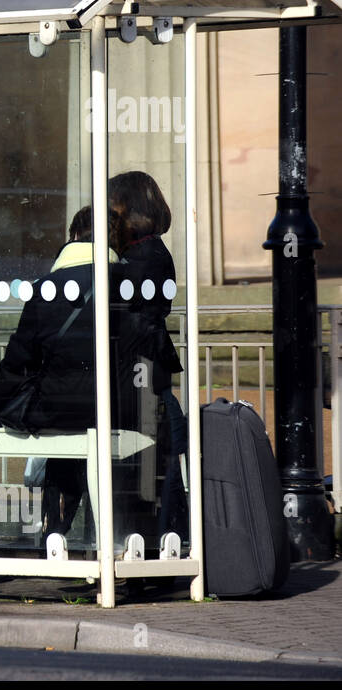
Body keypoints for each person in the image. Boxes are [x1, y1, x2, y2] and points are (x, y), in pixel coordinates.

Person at [0, 206, 121, 540]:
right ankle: (112, 539)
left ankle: (55, 535)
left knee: (63, 452)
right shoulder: (128, 284)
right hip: (118, 406)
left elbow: (19, 357)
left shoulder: (46, 287)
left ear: (74, 236)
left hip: (59, 406)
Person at [108, 170, 188, 539]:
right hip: (146, 376)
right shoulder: (145, 253)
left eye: (113, 208)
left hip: (142, 379)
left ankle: (159, 542)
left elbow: (129, 317)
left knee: (154, 475)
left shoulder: (142, 258)